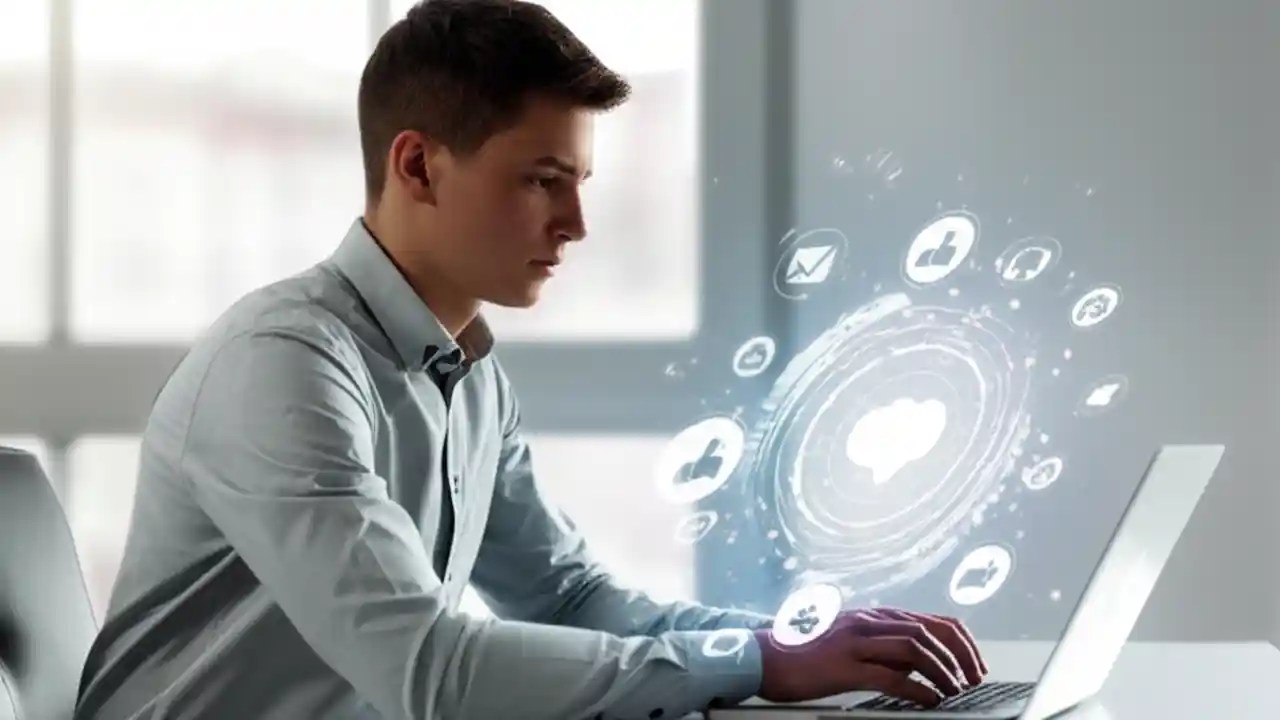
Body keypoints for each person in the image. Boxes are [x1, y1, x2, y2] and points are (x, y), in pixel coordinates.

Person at [73, 1, 987, 718]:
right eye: (542, 181)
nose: (576, 226)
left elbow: (565, 596)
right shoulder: (284, 366)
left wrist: (797, 644)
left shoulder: (466, 376)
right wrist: (756, 665)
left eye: (579, 185)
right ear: (419, 168)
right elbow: (430, 669)